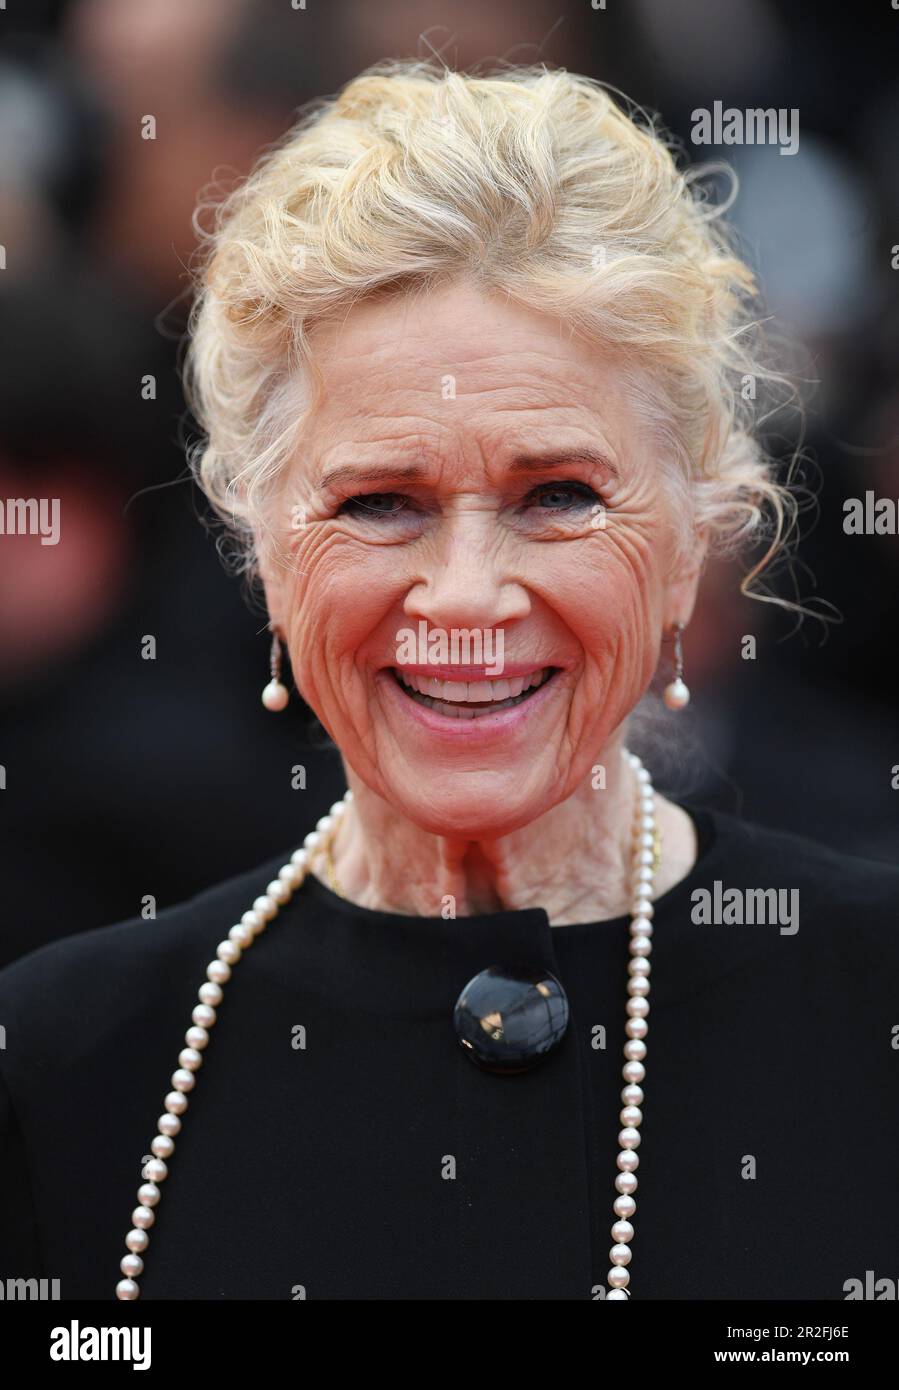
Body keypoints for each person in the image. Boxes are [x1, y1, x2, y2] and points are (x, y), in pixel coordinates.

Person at [1, 59, 896, 1302]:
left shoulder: (869, 997)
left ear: (698, 534)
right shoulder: (64, 1058)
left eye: (557, 496)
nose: (467, 595)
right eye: (379, 502)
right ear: (260, 548)